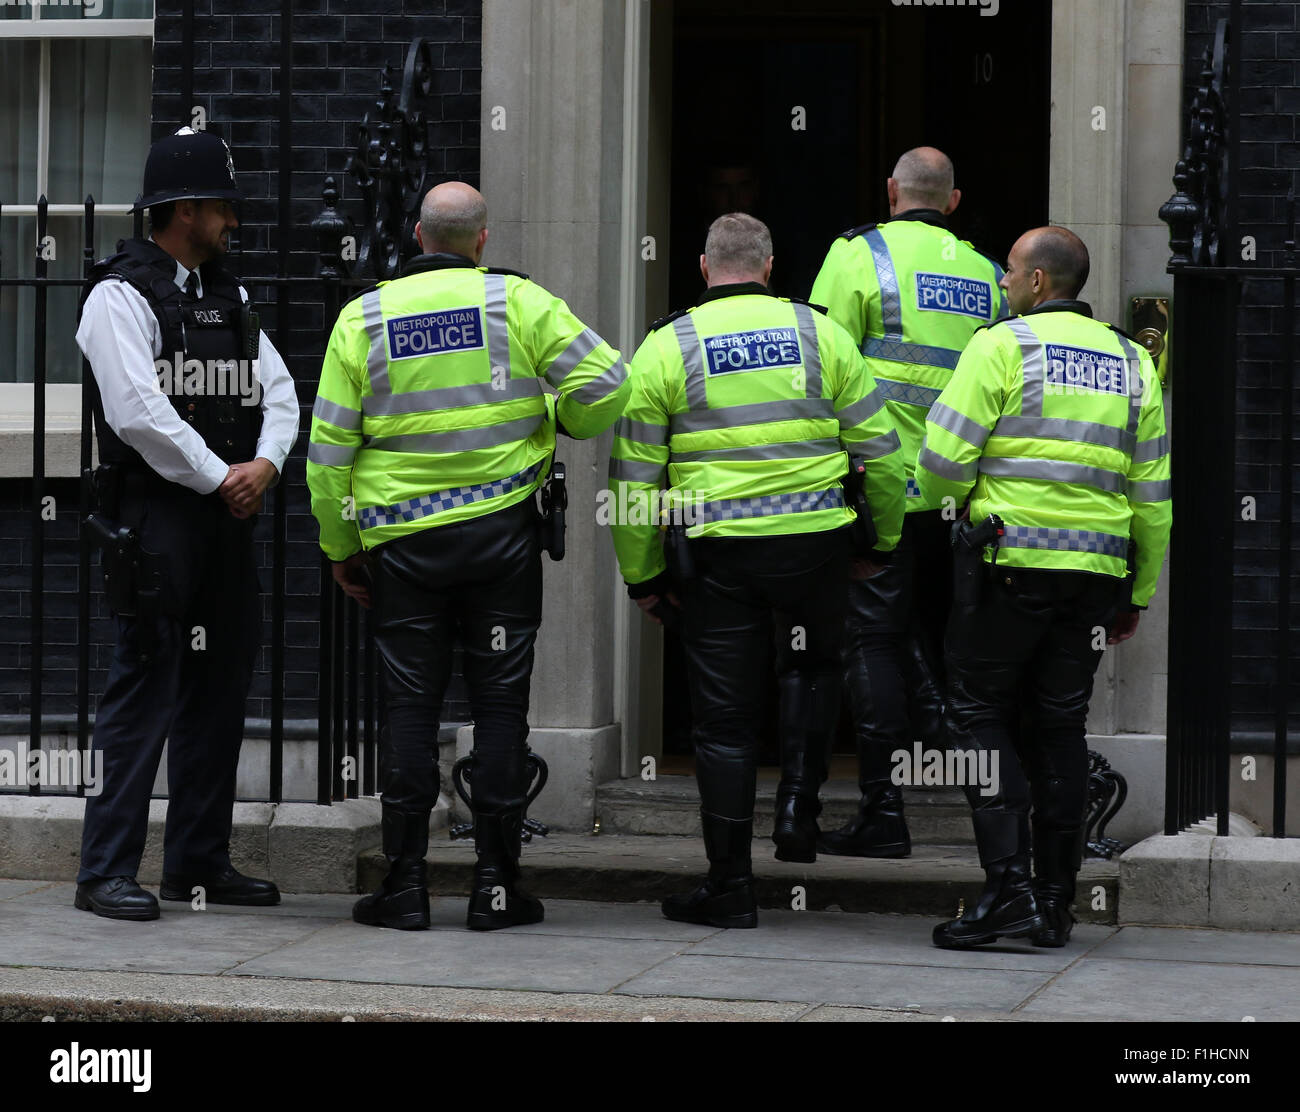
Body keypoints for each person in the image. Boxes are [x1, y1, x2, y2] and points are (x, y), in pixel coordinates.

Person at [308, 181, 631, 931]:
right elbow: (610, 383)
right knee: (500, 710)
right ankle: (496, 885)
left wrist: (341, 547)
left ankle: (406, 885)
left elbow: (326, 457)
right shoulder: (518, 304)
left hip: (401, 546)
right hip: (501, 543)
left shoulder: (365, 316)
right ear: (480, 241)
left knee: (410, 711)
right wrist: (559, 417)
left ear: (419, 236)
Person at [608, 213, 905, 928]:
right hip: (815, 546)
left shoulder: (665, 346)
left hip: (719, 556)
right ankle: (799, 811)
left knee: (725, 722)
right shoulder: (819, 333)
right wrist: (882, 542)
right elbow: (884, 453)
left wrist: (643, 577)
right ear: (769, 266)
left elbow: (634, 481)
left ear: (705, 269)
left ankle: (730, 885)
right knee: (809, 672)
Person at [915, 226, 1171, 948]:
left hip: (1007, 569)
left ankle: (1007, 892)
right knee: (1059, 727)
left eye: (1007, 275)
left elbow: (940, 462)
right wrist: (1137, 592)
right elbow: (1153, 495)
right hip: (1092, 581)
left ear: (1035, 283)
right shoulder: (1131, 361)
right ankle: (1056, 903)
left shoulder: (1001, 346)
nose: (1001, 286)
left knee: (977, 717)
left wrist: (956, 503)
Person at [74, 127, 299, 920]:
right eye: (223, 209)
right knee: (143, 694)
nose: (232, 224)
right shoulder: (117, 297)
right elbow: (139, 414)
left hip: (223, 520)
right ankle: (103, 870)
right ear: (187, 209)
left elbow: (279, 390)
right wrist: (222, 479)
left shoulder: (227, 297)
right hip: (157, 519)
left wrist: (265, 466)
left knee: (219, 686)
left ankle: (198, 864)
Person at [809, 147, 1009, 859]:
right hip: (960, 500)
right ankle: (989, 800)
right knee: (948, 648)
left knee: (873, 642)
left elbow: (821, 366)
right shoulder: (990, 274)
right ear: (953, 202)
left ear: (891, 190)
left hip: (880, 491)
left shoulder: (855, 255)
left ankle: (882, 811)